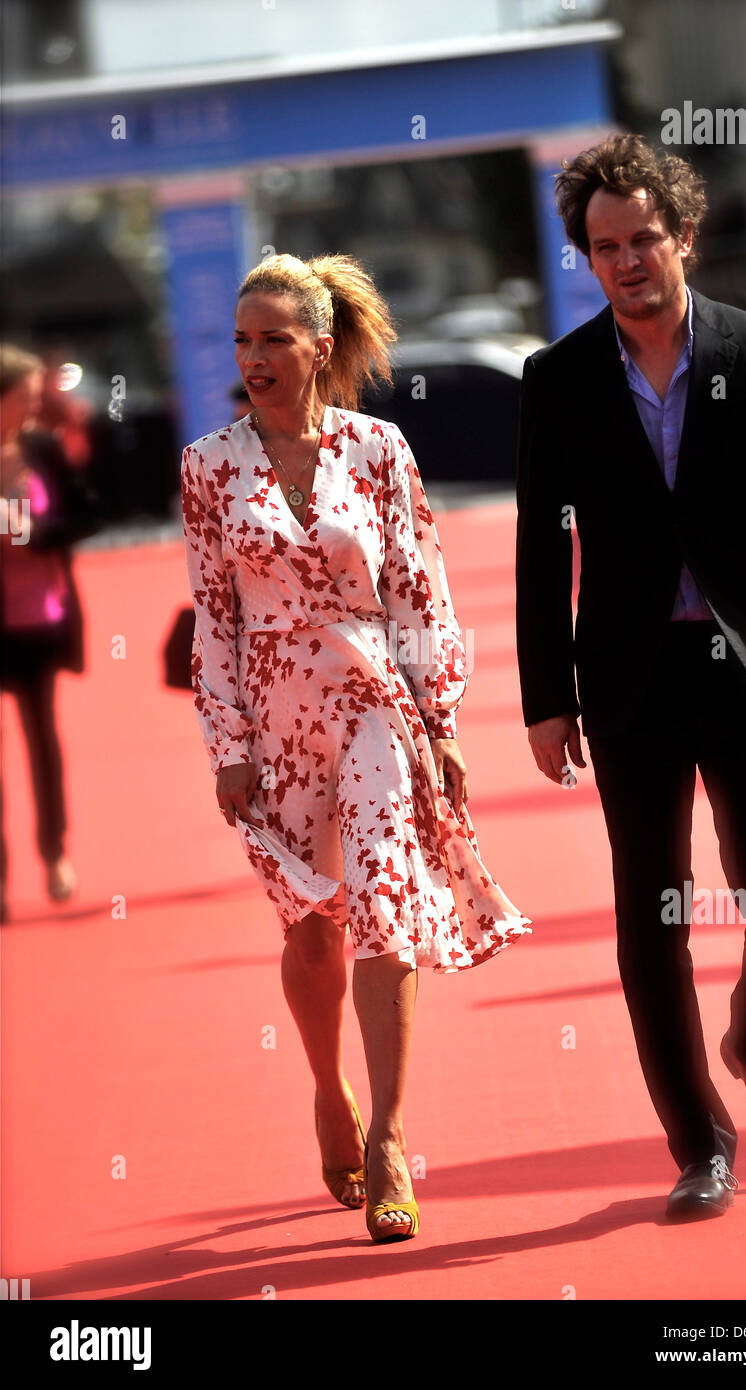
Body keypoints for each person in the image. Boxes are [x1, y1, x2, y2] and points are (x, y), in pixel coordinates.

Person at [515, 134, 746, 1221]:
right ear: (587, 259)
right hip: (631, 680)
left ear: (682, 236)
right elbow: (536, 544)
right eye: (603, 247)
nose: (626, 260)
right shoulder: (556, 381)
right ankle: (698, 1142)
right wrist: (547, 696)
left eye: (643, 238)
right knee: (652, 913)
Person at [181, 252, 531, 1242]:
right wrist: (227, 745)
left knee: (384, 905)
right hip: (274, 720)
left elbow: (422, 591)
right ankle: (326, 1092)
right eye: (243, 340)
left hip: (377, 703)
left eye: (274, 339)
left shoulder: (380, 450)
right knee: (313, 927)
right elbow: (213, 621)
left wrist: (446, 719)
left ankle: (386, 1134)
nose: (254, 356)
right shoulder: (208, 467)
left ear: (320, 348)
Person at [0, 344, 100, 920]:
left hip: (41, 618)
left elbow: (87, 512)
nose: (36, 404)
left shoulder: (44, 449)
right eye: (26, 396)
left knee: (43, 742)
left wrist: (42, 532)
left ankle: (54, 853)